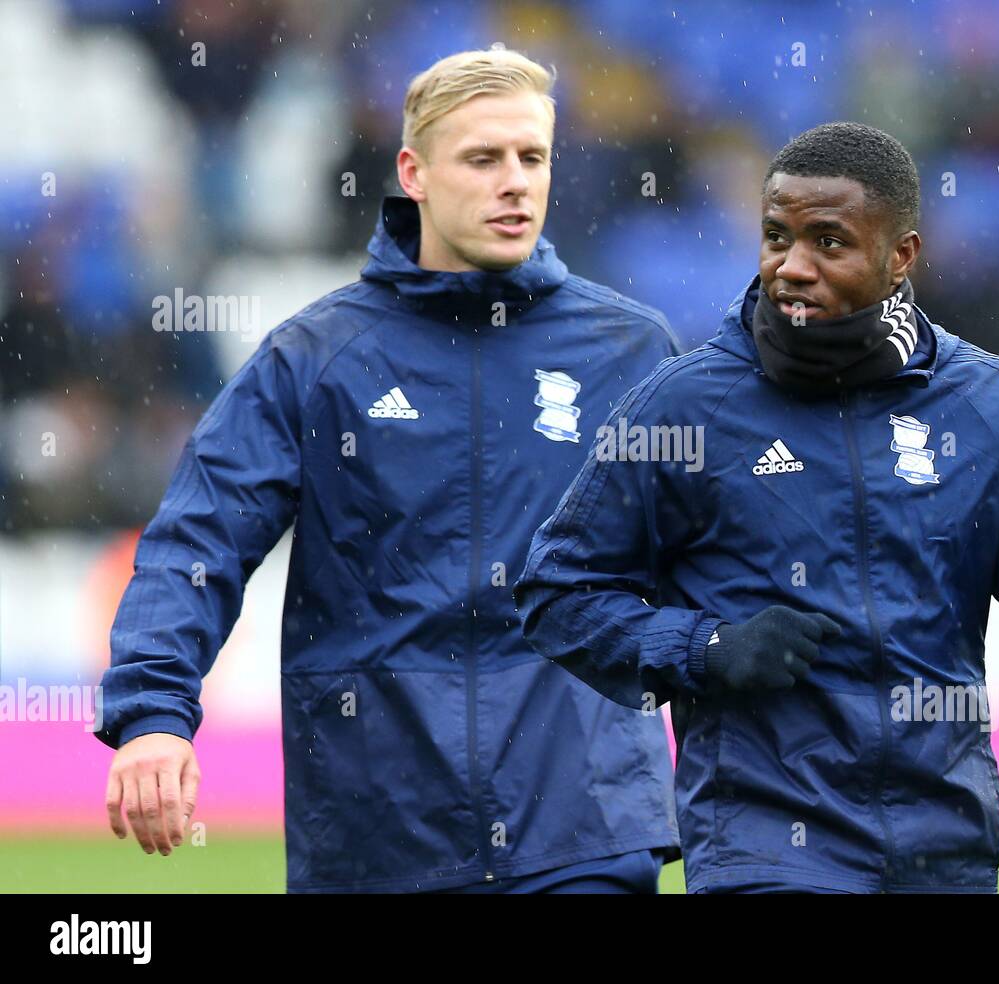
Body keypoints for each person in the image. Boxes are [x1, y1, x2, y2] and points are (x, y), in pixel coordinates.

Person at [96, 48, 681, 893]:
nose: (514, 181)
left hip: (584, 826)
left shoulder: (633, 351)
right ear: (414, 171)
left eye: (533, 157)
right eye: (483, 158)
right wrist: (153, 714)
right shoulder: (317, 357)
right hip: (381, 831)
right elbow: (201, 536)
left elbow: (722, 564)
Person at [516, 122, 999, 894]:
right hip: (764, 851)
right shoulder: (683, 410)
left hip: (946, 854)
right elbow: (556, 592)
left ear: (900, 256)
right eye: (777, 236)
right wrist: (703, 647)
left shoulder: (994, 410)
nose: (792, 267)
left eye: (828, 242)